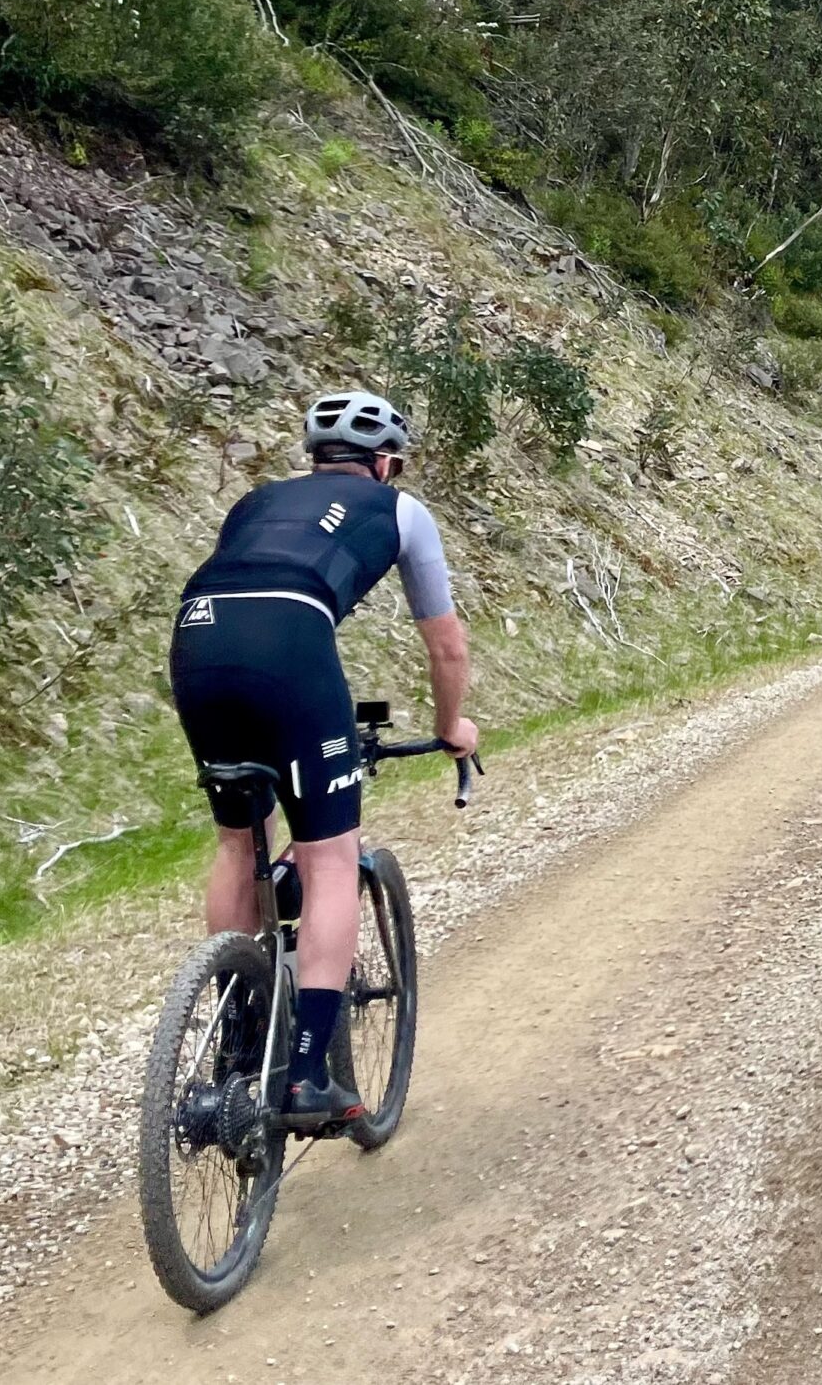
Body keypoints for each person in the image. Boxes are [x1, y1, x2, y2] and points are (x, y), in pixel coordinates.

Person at [169, 391, 479, 1125]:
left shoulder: (254, 502)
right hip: (290, 645)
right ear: (385, 462)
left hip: (197, 639)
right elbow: (446, 645)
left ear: (315, 458)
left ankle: (237, 1045)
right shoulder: (399, 510)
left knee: (240, 841)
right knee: (330, 859)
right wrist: (451, 726)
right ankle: (308, 1077)